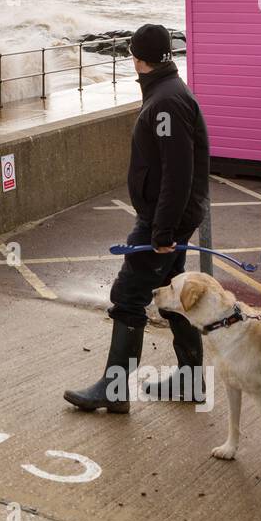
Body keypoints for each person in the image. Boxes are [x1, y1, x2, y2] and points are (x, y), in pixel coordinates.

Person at [65, 24, 210, 412]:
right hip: (171, 216)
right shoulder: (169, 92)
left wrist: (162, 229)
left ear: (137, 57)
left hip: (163, 220)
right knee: (172, 295)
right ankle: (192, 380)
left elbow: (177, 172)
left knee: (128, 296)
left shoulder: (165, 102)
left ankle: (113, 391)